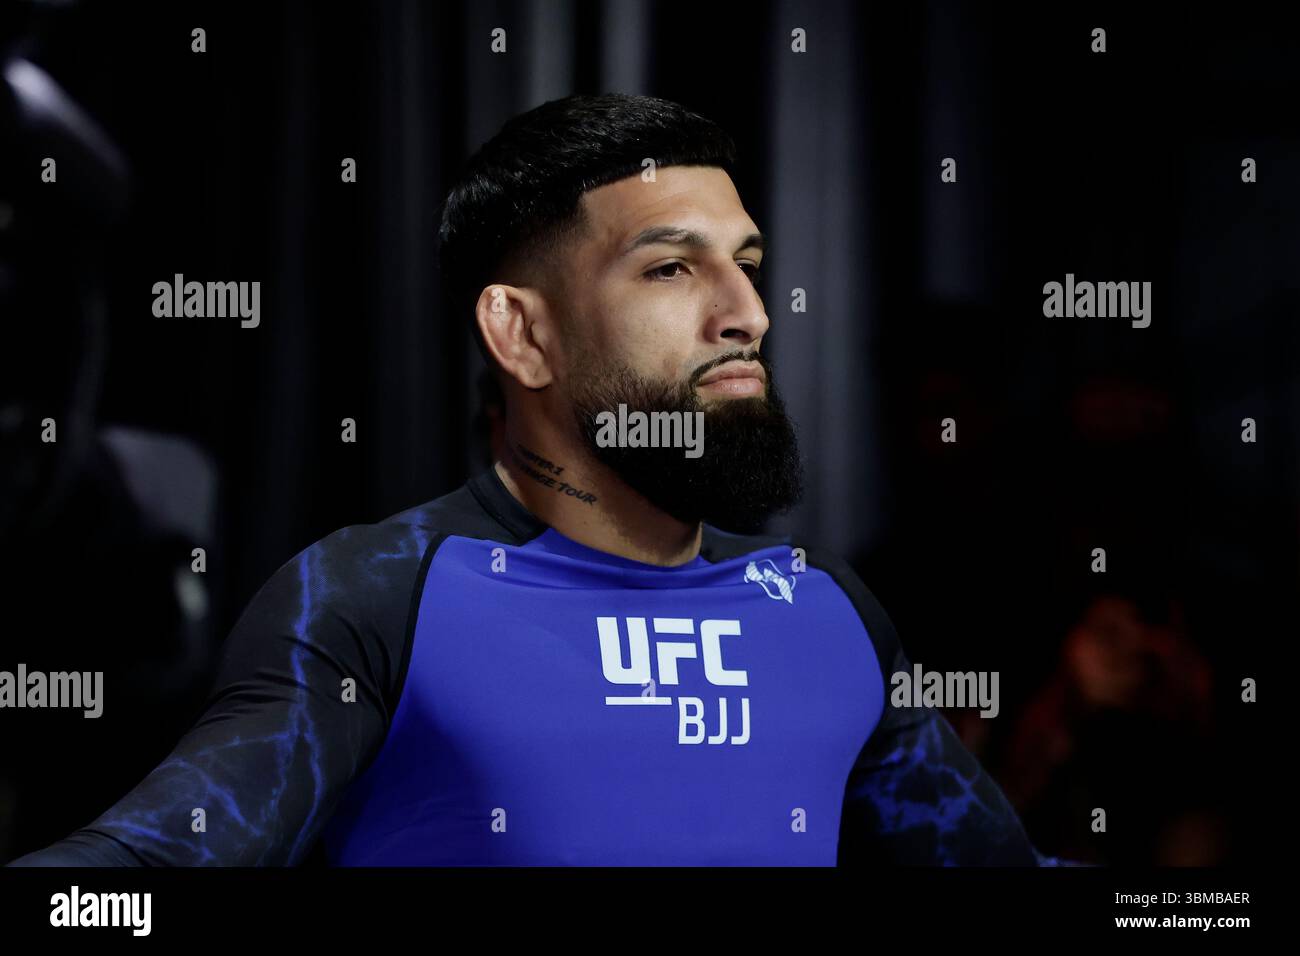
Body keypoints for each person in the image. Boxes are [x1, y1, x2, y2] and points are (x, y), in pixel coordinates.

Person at [9, 93, 1040, 866]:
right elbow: (147, 866)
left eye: (749, 261)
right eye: (672, 266)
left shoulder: (826, 611)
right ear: (523, 331)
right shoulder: (375, 599)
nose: (748, 312)